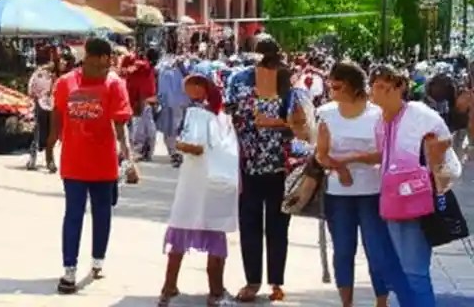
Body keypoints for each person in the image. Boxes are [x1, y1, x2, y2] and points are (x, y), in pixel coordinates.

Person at [225, 40, 312, 303]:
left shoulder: (288, 85)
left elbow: (303, 129)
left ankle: (274, 281)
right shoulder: (239, 81)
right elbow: (228, 116)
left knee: (276, 226)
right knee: (251, 224)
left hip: (279, 166)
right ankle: (254, 281)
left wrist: (275, 123)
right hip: (247, 165)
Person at [371, 63, 461, 307]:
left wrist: (431, 168)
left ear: (398, 88)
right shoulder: (381, 119)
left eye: (382, 86)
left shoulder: (417, 113)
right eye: (374, 86)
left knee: (413, 270)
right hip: (391, 200)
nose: (376, 91)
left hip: (414, 200)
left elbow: (442, 138)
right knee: (401, 270)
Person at [48, 37, 132, 294]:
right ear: (95, 58)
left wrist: (128, 160)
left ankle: (98, 260)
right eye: (107, 61)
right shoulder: (66, 83)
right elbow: (57, 114)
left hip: (104, 163)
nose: (110, 66)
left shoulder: (115, 84)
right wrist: (49, 147)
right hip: (74, 163)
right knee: (73, 215)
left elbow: (121, 125)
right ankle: (69, 270)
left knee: (102, 213)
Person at [316, 61, 398, 307]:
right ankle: (346, 302)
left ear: (353, 87)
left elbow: (385, 152)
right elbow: (321, 154)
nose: (333, 91)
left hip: (372, 191)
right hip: (338, 193)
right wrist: (339, 168)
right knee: (342, 250)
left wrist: (353, 159)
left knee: (377, 250)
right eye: (331, 86)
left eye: (338, 86)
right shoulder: (327, 113)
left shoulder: (376, 114)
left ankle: (381, 301)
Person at [160, 68, 237, 306]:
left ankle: (169, 288)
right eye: (190, 85)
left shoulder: (197, 113)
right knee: (214, 230)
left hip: (196, 181)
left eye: (197, 84)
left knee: (182, 231)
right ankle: (214, 293)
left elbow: (196, 147)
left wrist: (180, 145)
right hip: (217, 182)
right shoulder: (221, 115)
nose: (192, 90)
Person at [156, 52, 191, 167]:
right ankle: (175, 152)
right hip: (178, 103)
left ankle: (174, 152)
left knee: (171, 129)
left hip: (170, 103)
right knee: (176, 128)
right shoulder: (178, 72)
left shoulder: (164, 71)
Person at [124, 47, 158, 161]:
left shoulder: (147, 67)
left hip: (143, 100)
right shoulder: (143, 66)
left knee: (144, 127)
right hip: (139, 100)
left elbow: (127, 71)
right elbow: (128, 70)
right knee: (142, 127)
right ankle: (140, 151)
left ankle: (143, 151)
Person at [25, 57, 58, 172]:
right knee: (38, 132)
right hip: (41, 104)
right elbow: (31, 90)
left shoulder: (58, 76)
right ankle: (34, 159)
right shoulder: (40, 74)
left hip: (53, 106)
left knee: (50, 134)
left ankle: (49, 160)